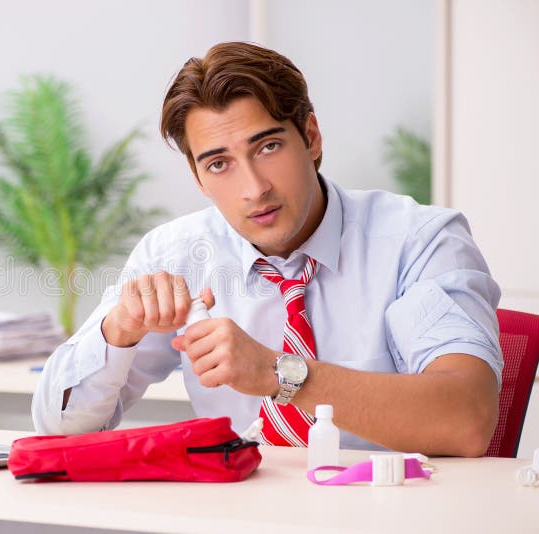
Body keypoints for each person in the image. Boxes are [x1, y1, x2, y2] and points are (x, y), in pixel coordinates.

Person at [32, 42, 502, 457]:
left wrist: (279, 374)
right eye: (219, 164)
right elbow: (57, 431)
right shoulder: (174, 254)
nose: (254, 189)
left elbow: (467, 421)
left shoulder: (419, 241)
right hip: (239, 510)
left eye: (268, 146)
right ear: (198, 179)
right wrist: (118, 331)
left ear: (311, 137)